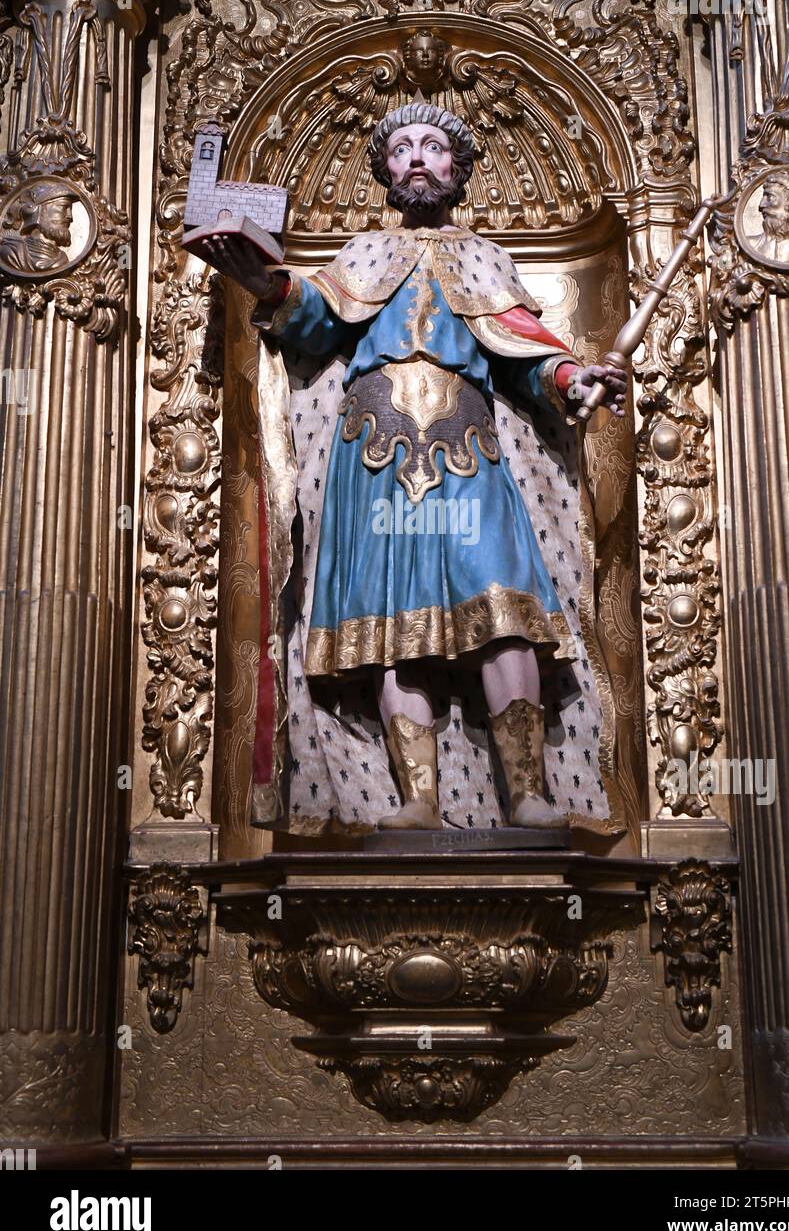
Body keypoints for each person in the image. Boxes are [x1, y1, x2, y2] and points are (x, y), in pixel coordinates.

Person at [199, 100, 626, 830]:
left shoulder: (485, 260)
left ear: (458, 171)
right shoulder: (364, 254)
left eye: (433, 147)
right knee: (393, 621)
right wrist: (266, 282)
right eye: (403, 150)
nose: (419, 159)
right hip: (374, 448)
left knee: (507, 610)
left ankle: (528, 791)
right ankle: (418, 798)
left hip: (468, 445)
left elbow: (525, 348)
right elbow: (315, 315)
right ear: (387, 172)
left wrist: (571, 379)